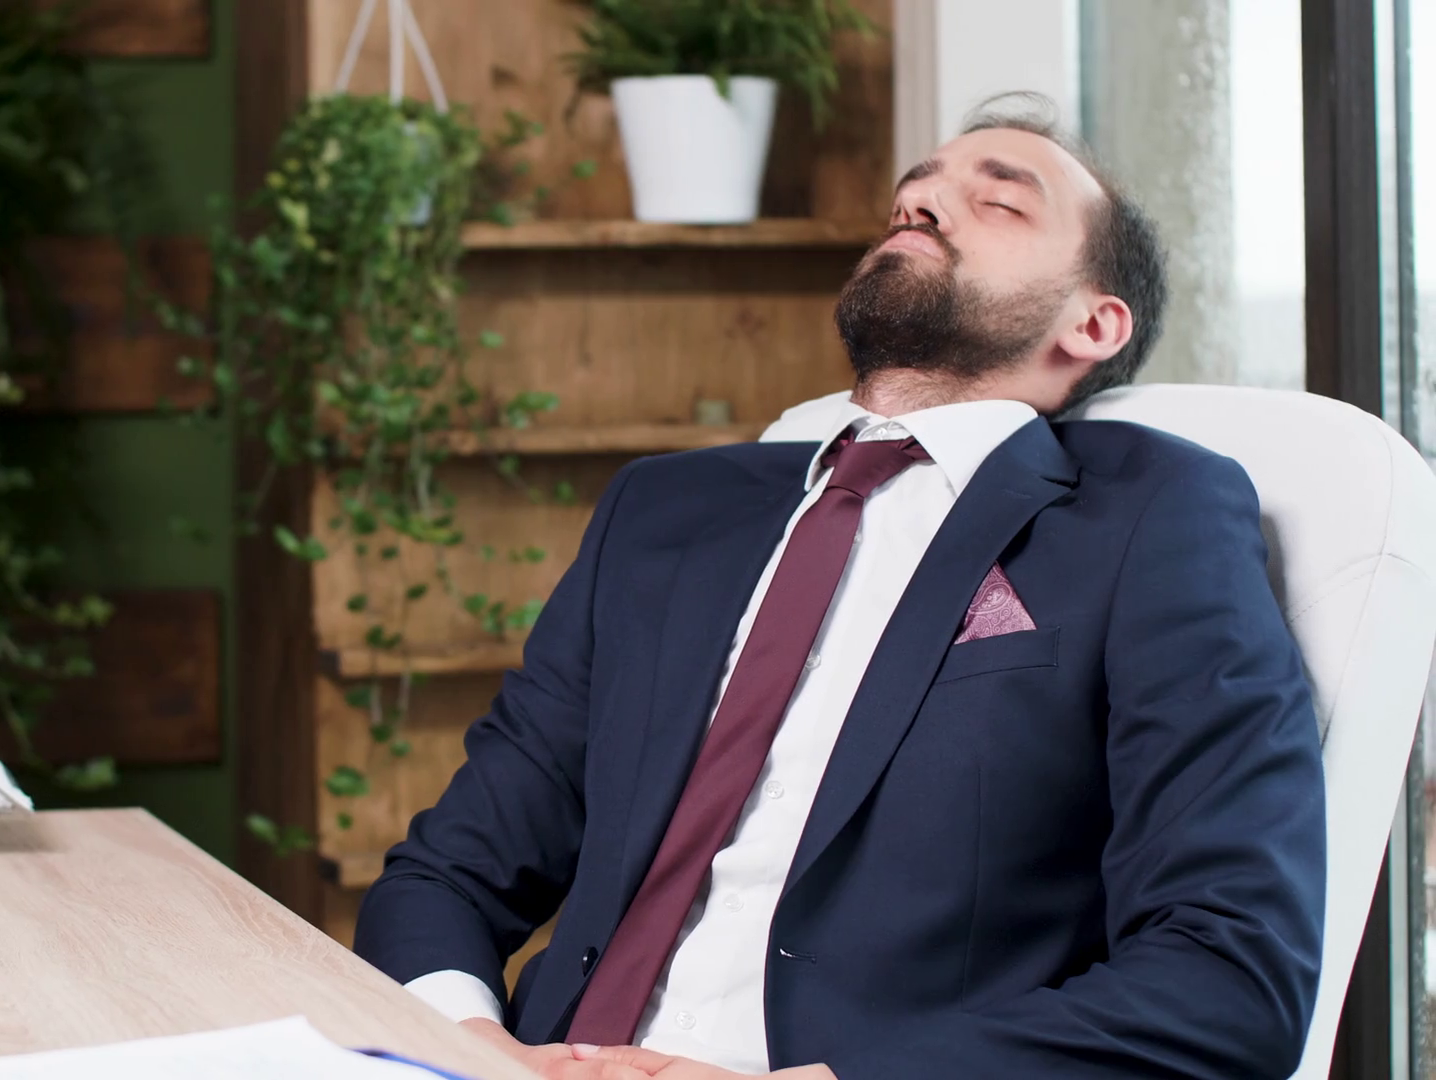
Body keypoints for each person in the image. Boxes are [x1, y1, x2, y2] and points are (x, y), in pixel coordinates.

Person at [353, 93, 1326, 1080]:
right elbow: (449, 874)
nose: (926, 204)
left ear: (1095, 323)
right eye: (917, 193)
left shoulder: (1151, 515)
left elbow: (1228, 978)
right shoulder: (664, 512)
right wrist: (465, 1050)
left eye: (999, 204)